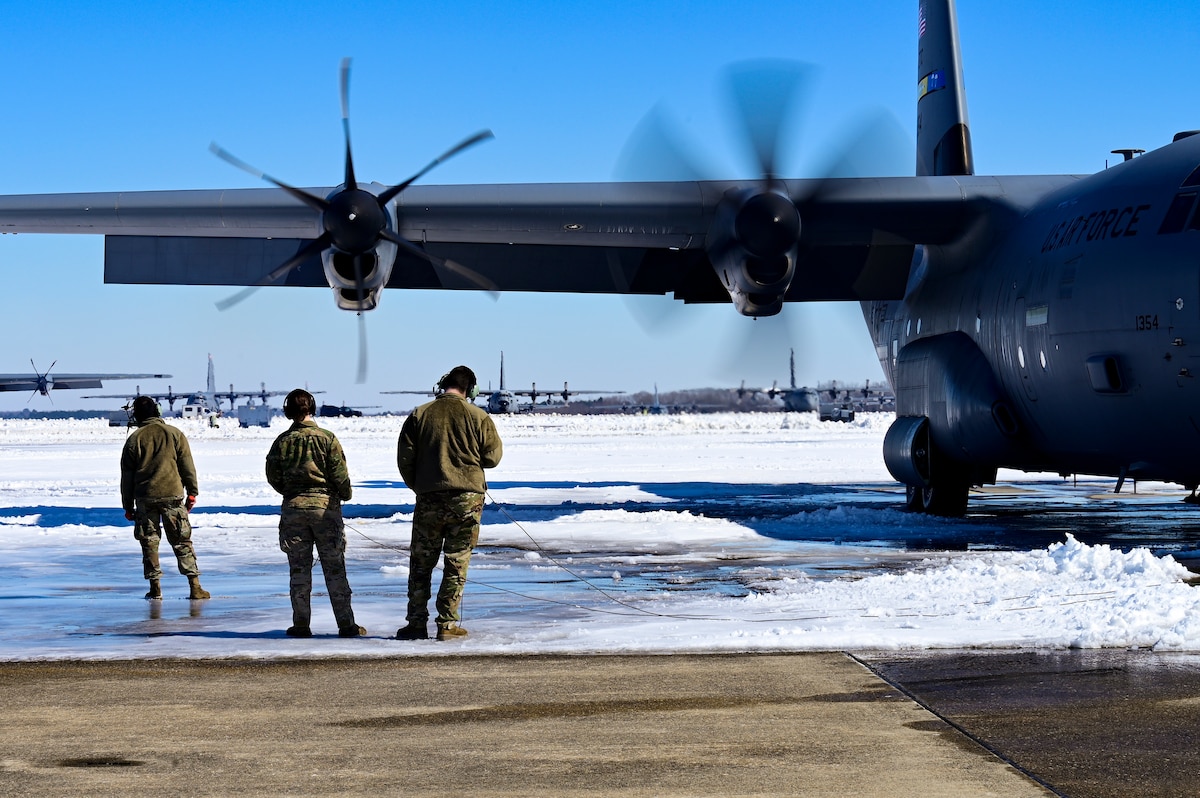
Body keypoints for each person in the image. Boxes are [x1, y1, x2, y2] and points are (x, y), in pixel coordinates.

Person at [395, 365, 503, 641]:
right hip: (467, 501)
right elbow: (492, 457)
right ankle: (447, 624)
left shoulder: (420, 414)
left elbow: (405, 458)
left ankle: (416, 623)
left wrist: (420, 486)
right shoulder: (478, 416)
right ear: (472, 390)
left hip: (429, 498)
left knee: (421, 563)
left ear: (444, 384)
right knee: (456, 562)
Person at [265, 388, 365, 638]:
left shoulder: (282, 442)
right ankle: (346, 625)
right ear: (312, 408)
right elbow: (340, 475)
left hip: (293, 510)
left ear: (289, 411)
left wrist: (291, 493)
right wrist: (343, 495)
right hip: (325, 510)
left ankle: (301, 624)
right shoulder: (327, 439)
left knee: (299, 570)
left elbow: (272, 476)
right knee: (334, 568)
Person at [120, 395, 210, 600]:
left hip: (145, 498)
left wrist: (127, 505)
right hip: (173, 497)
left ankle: (155, 588)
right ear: (157, 412)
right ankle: (195, 586)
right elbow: (187, 466)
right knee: (182, 541)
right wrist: (192, 493)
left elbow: (127, 477)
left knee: (149, 543)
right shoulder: (175, 434)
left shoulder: (134, 440)